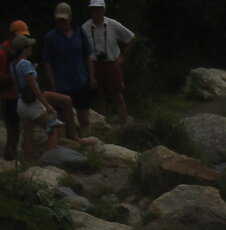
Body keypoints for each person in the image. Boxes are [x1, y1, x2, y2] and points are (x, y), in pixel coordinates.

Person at [7, 34, 64, 162]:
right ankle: (48, 162)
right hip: (33, 104)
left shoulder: (12, 65)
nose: (31, 48)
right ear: (24, 49)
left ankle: (28, 163)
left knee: (28, 134)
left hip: (21, 103)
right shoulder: (26, 64)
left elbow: (17, 87)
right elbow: (33, 87)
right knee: (52, 131)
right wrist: (47, 105)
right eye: (29, 46)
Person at [43, 2, 94, 138]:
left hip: (81, 80)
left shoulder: (79, 32)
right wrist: (52, 82)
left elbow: (87, 55)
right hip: (62, 83)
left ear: (70, 17)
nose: (61, 22)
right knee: (63, 119)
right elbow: (47, 61)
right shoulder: (51, 37)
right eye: (59, 20)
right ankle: (67, 145)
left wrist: (91, 76)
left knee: (84, 118)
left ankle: (86, 141)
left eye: (64, 19)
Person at [81, 0, 134, 127]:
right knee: (100, 96)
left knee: (118, 95)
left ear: (104, 10)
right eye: (94, 9)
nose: (96, 12)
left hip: (112, 63)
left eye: (99, 9)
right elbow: (82, 51)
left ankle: (125, 126)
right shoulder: (85, 28)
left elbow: (131, 38)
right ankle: (104, 126)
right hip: (95, 64)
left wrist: (123, 57)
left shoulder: (112, 24)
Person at [0, 21, 30, 160]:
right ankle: (8, 162)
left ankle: (13, 161)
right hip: (7, 97)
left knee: (17, 132)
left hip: (18, 96)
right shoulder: (2, 52)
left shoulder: (19, 50)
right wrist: (17, 75)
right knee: (12, 132)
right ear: (11, 35)